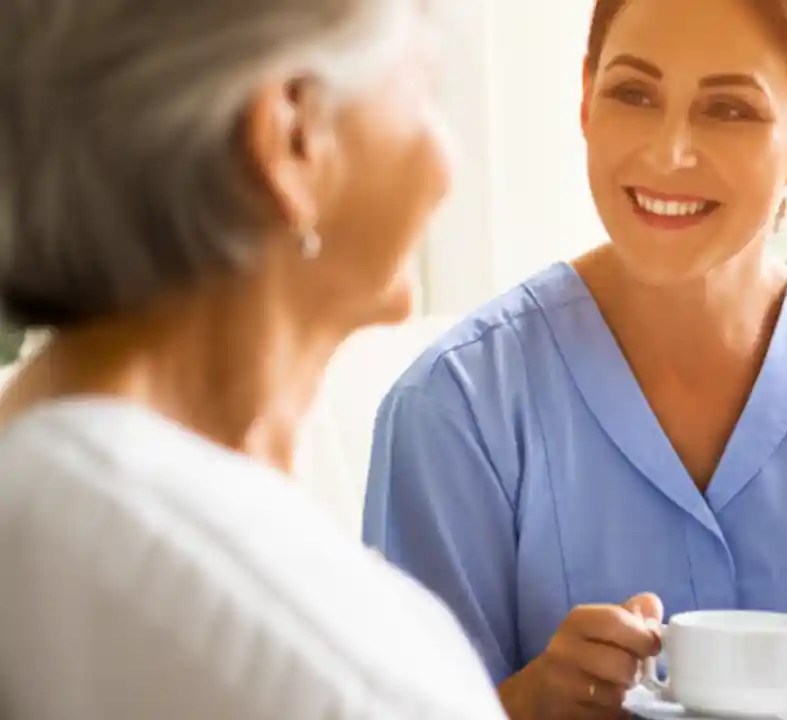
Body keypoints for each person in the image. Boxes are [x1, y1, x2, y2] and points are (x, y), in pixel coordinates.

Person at [364, 0, 787, 717]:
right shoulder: (455, 405)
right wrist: (524, 706)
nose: (668, 153)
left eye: (729, 109)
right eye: (633, 94)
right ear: (585, 98)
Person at [0, 1, 506, 718]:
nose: (446, 168)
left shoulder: (46, 471)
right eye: (423, 88)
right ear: (294, 138)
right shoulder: (339, 670)